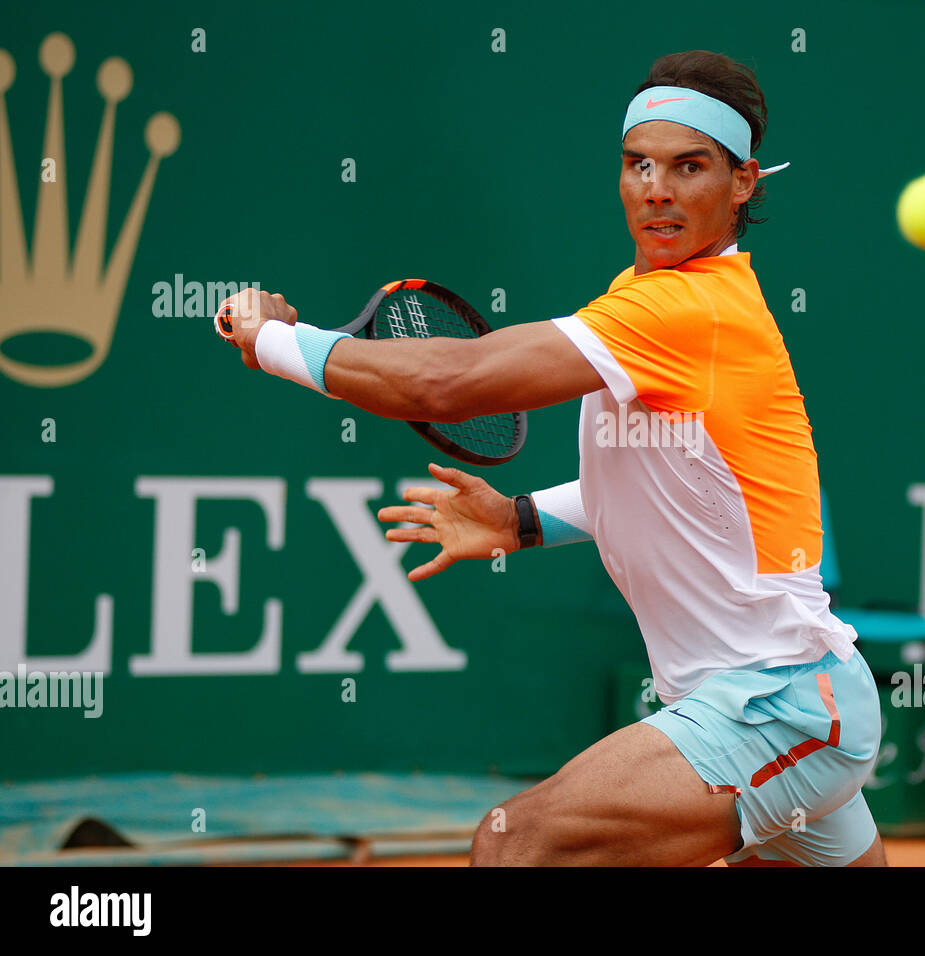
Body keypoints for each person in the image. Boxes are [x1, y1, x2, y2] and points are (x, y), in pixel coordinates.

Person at [216, 50, 884, 867]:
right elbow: (663, 478)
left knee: (514, 843)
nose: (656, 189)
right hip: (770, 703)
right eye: (639, 164)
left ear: (743, 183)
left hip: (780, 707)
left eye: (689, 166)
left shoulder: (689, 310)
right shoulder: (645, 302)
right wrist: (517, 519)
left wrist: (275, 340)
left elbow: (446, 381)